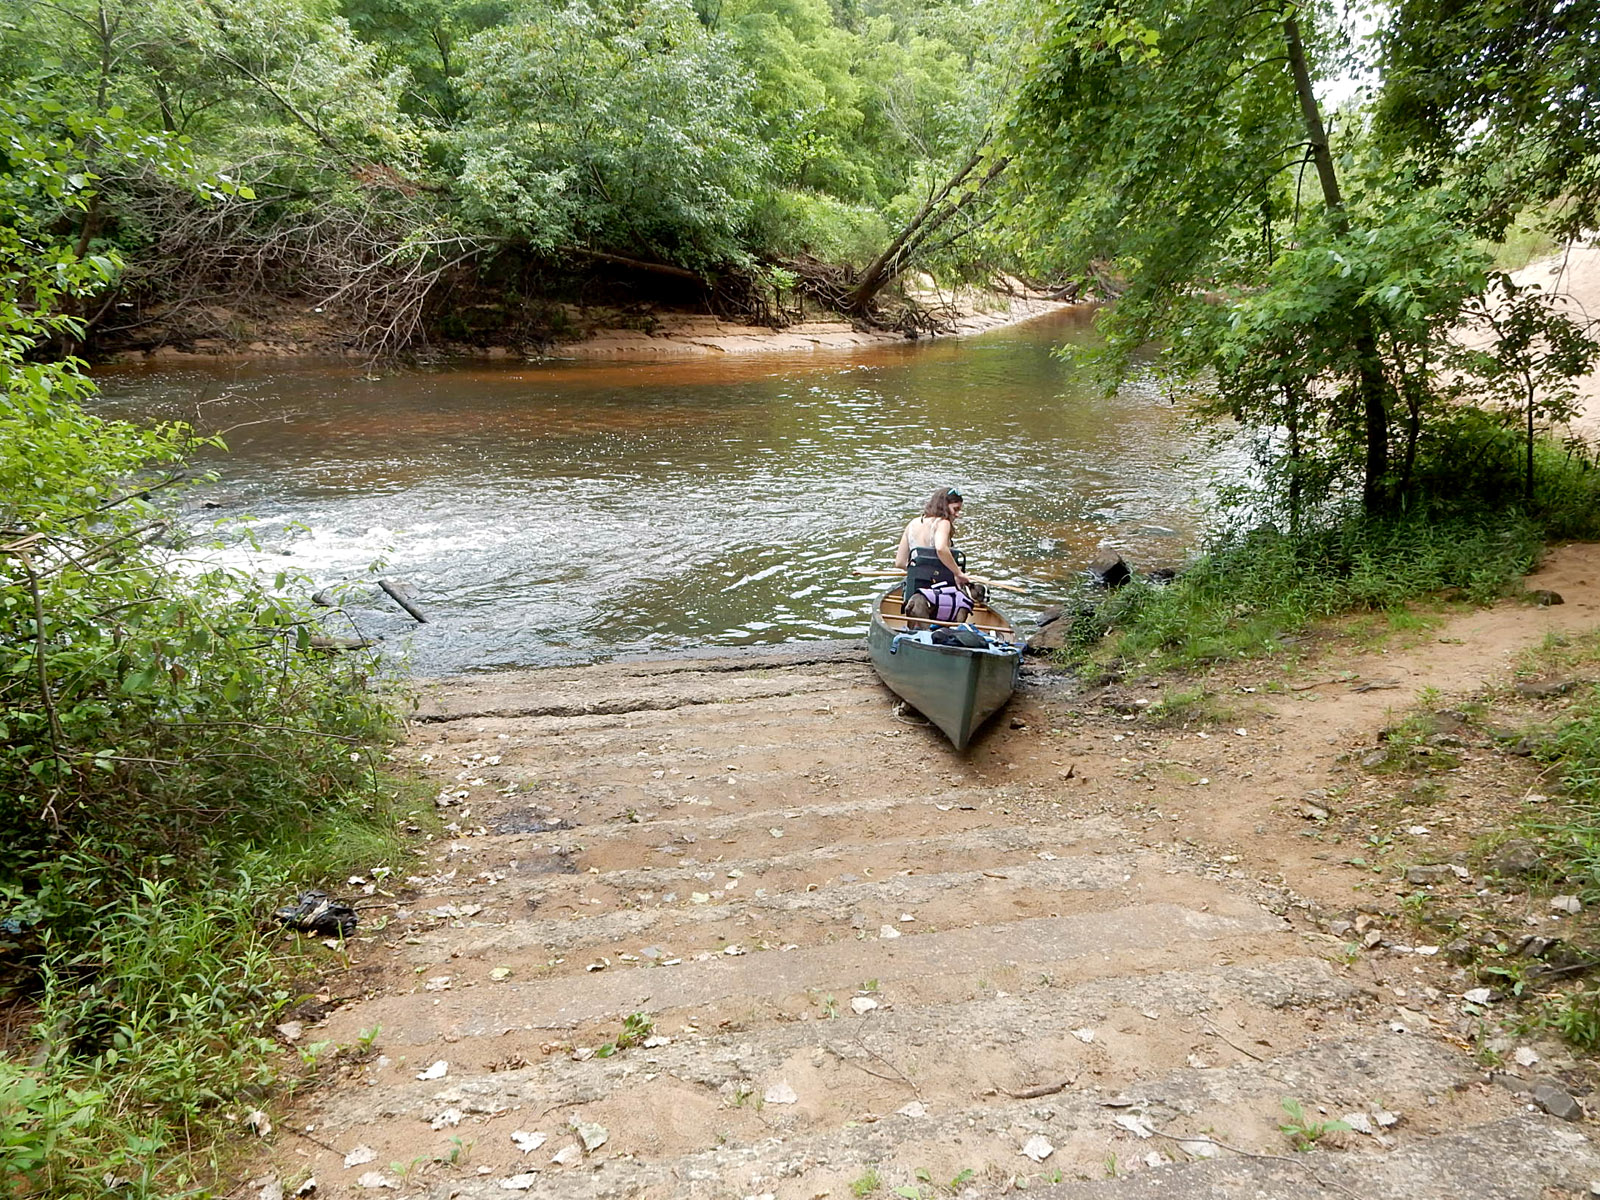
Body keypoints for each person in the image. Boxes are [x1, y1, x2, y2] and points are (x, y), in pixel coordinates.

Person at [895, 487, 980, 622]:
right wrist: (958, 573)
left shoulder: (912, 524)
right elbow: (941, 548)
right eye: (955, 509)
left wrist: (918, 570)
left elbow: (899, 562)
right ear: (944, 506)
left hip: (915, 591)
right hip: (941, 594)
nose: (957, 514)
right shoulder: (943, 523)